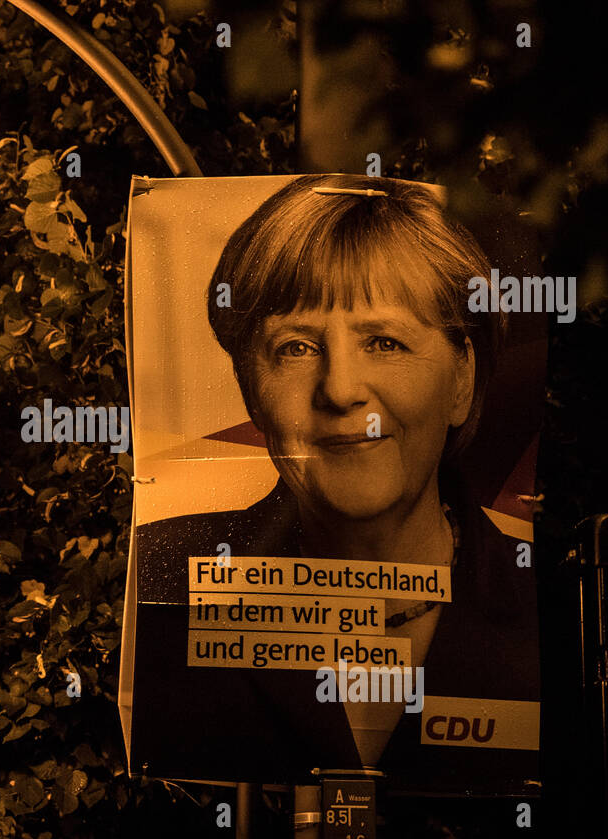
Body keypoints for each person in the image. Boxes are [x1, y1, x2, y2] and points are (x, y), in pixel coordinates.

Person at [132, 173, 538, 789]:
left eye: (385, 341)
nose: (341, 389)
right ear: (249, 385)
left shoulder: (555, 608)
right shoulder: (162, 580)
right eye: (295, 348)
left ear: (461, 380)